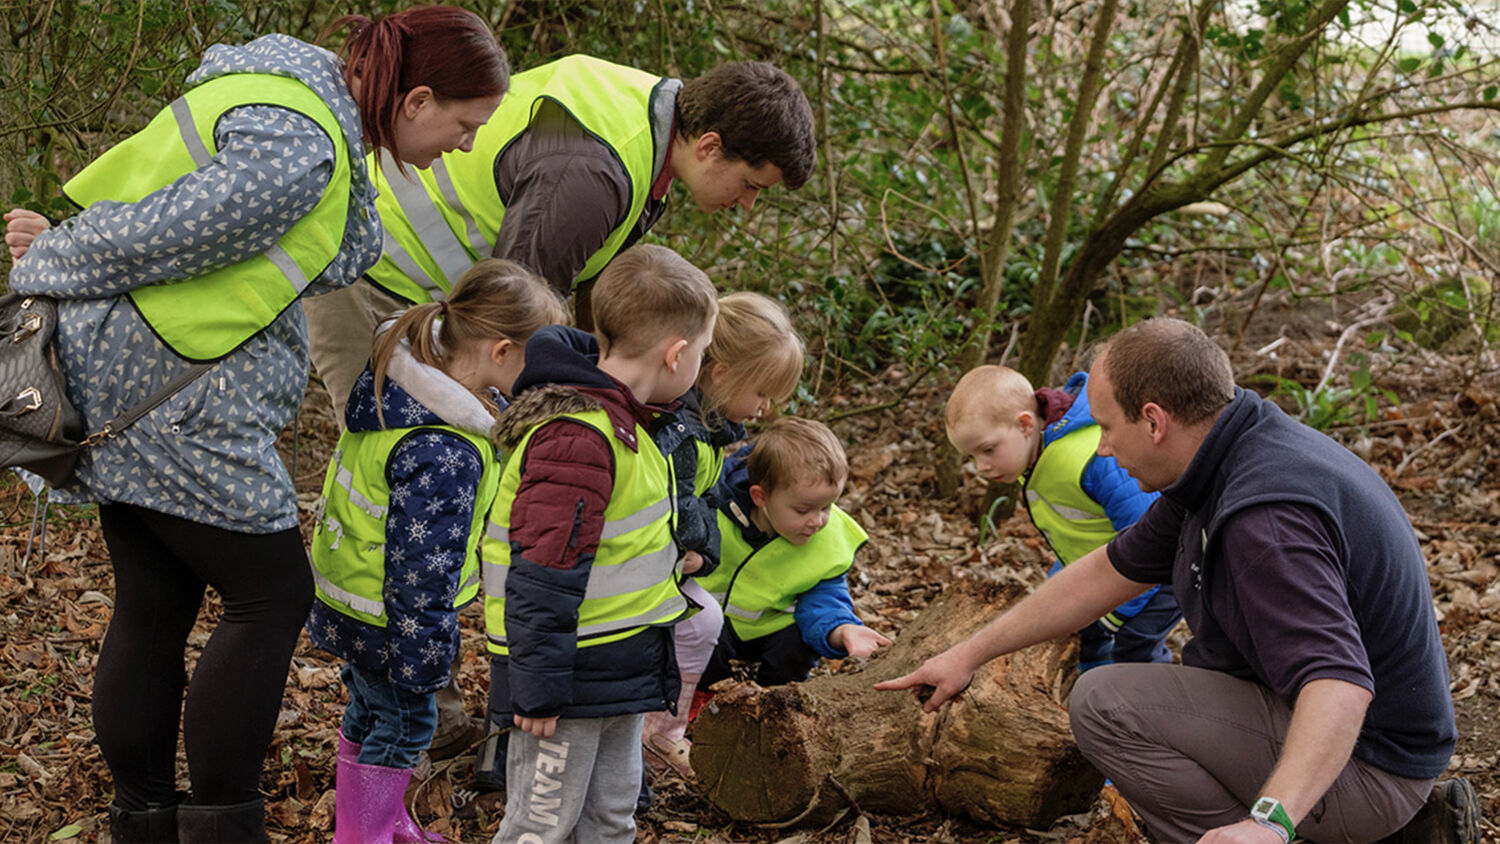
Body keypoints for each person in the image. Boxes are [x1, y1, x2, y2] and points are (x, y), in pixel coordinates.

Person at [2, 8, 508, 841]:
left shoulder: (294, 107)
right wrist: (48, 261)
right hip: (172, 397)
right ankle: (222, 824)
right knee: (271, 595)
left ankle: (145, 820)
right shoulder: (299, 146)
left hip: (139, 384)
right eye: (465, 125)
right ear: (417, 100)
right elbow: (153, 236)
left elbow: (312, 250)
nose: (465, 146)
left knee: (156, 599)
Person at [877, 318, 1463, 843]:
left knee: (1106, 704)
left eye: (1107, 427)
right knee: (1115, 695)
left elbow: (1339, 685)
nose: (1103, 446)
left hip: (1370, 765)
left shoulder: (1264, 521)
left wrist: (1268, 824)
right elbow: (1106, 572)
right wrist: (968, 655)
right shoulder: (1226, 452)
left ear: (1154, 421)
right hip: (1353, 741)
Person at [304, 55, 818, 423]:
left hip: (416, 288)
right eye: (751, 185)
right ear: (709, 146)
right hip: (368, 273)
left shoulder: (647, 128)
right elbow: (518, 310)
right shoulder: (594, 171)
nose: (747, 204)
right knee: (388, 454)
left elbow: (590, 290)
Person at [306, 260, 563, 844]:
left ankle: (377, 820)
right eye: (534, 361)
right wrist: (423, 650)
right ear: (502, 351)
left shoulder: (401, 386)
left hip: (354, 596)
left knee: (371, 712)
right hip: (394, 618)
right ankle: (363, 835)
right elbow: (421, 565)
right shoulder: (444, 448)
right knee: (405, 726)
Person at [480, 244, 717, 844]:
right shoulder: (578, 437)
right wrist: (537, 688)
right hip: (566, 679)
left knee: (611, 816)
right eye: (704, 352)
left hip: (620, 667)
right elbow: (543, 567)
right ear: (677, 353)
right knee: (539, 826)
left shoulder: (631, 422)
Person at [642, 291, 804, 777]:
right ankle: (652, 732)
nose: (766, 408)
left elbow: (706, 500)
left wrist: (701, 551)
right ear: (722, 374)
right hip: (646, 566)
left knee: (703, 622)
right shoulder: (682, 431)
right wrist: (694, 546)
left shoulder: (712, 431)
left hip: (672, 564)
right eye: (762, 393)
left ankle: (662, 731)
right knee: (693, 624)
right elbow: (681, 501)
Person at [944, 365, 1179, 670]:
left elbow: (1152, 537)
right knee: (1081, 638)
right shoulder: (1033, 452)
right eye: (971, 456)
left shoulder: (1091, 455)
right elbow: (1075, 530)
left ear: (1025, 424)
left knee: (1134, 646)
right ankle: (1091, 685)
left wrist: (1113, 614)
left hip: (1157, 575)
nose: (981, 467)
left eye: (987, 449)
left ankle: (1151, 695)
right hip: (1106, 567)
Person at [697, 416, 891, 693]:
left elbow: (824, 599)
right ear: (760, 497)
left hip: (772, 628)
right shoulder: (712, 514)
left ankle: (778, 697)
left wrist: (842, 630)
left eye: (827, 507)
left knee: (796, 646)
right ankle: (703, 695)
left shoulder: (827, 538)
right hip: (714, 626)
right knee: (698, 635)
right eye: (803, 510)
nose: (818, 521)